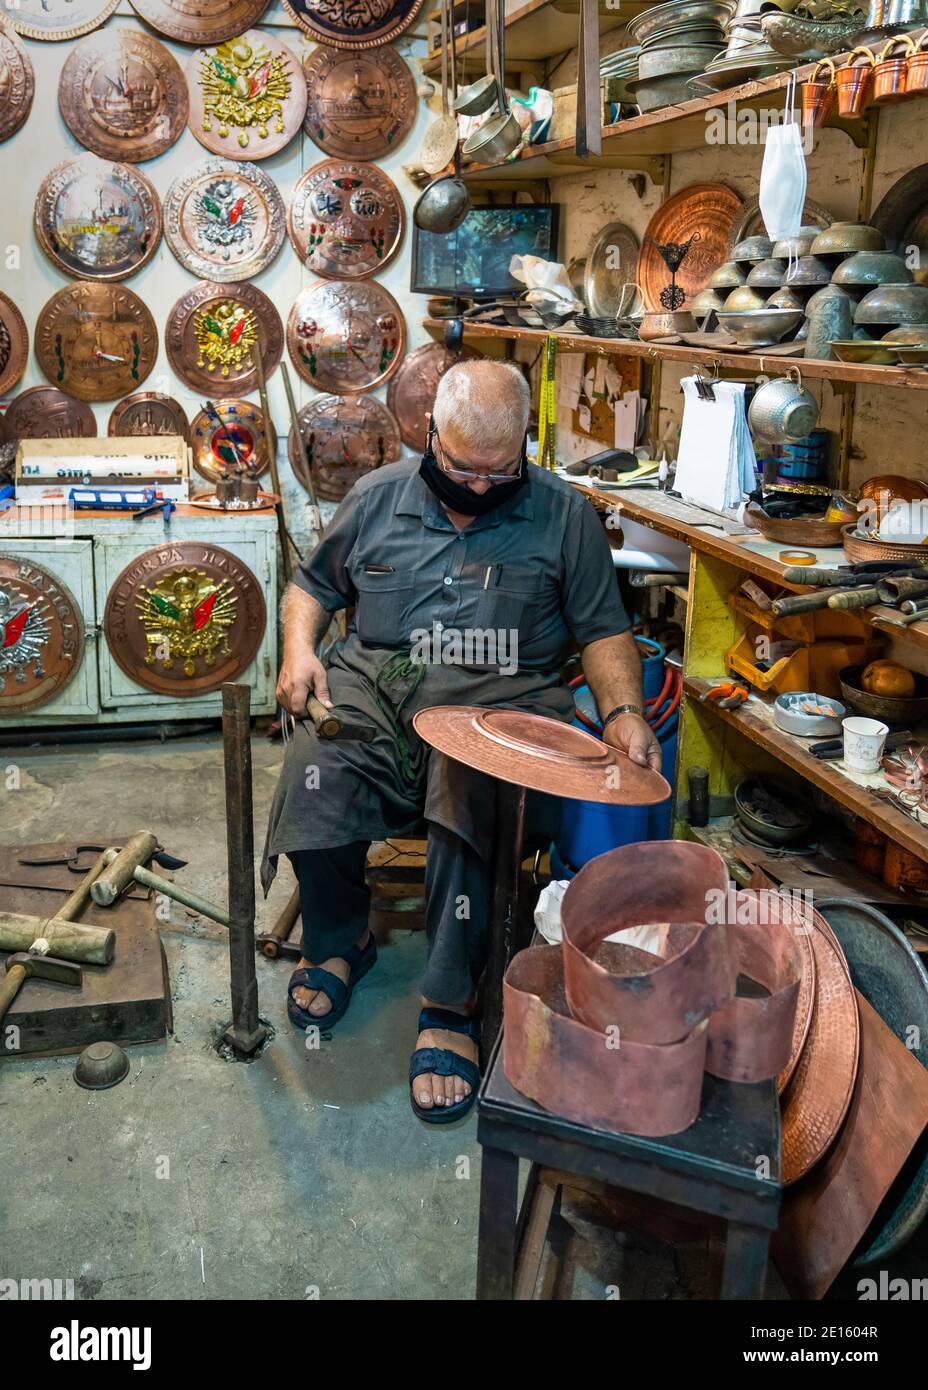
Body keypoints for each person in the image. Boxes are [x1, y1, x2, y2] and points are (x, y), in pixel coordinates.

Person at [263, 360, 660, 1123]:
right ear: (428, 436)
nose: (479, 487)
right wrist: (299, 651)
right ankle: (340, 941)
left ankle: (449, 1001)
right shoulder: (377, 496)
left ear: (523, 448)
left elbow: (604, 628)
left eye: (498, 472)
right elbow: (312, 588)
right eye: (461, 469)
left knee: (466, 784)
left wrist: (621, 713)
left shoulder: (563, 515)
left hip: (499, 697)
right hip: (379, 686)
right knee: (319, 762)